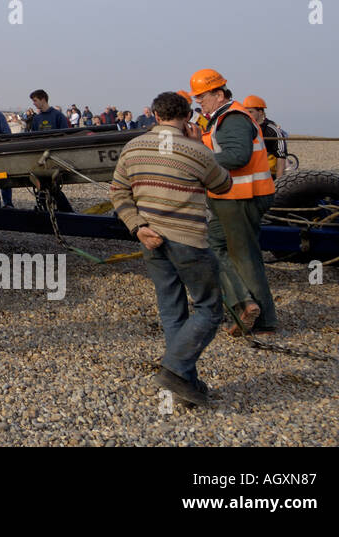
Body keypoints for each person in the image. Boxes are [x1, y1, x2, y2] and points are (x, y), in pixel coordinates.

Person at [110, 91, 233, 407]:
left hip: (150, 237)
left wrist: (137, 226)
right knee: (209, 308)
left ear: (154, 115)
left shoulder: (132, 147)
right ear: (188, 117)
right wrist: (201, 146)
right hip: (188, 238)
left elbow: (118, 192)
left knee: (171, 307)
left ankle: (185, 382)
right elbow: (223, 185)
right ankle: (175, 370)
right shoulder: (195, 151)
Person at [189, 68, 277, 336]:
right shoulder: (219, 119)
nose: (198, 102)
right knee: (215, 248)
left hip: (241, 198)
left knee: (245, 257)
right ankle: (244, 304)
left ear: (218, 93)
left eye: (202, 96)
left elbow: (237, 156)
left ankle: (263, 321)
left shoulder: (233, 118)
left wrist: (198, 157)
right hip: (229, 198)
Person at [25, 89, 74, 212]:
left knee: (54, 188)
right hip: (40, 159)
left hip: (55, 158)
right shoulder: (36, 119)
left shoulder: (58, 116)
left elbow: (65, 136)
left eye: (35, 101)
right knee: (40, 187)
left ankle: (66, 212)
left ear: (43, 99)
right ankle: (47, 211)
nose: (34, 104)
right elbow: (34, 137)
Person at [242, 95, 286, 180]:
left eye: (251, 112)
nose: (248, 115)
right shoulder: (242, 128)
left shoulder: (272, 130)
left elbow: (281, 156)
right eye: (246, 112)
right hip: (247, 176)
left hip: (268, 176)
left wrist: (279, 181)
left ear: (260, 112)